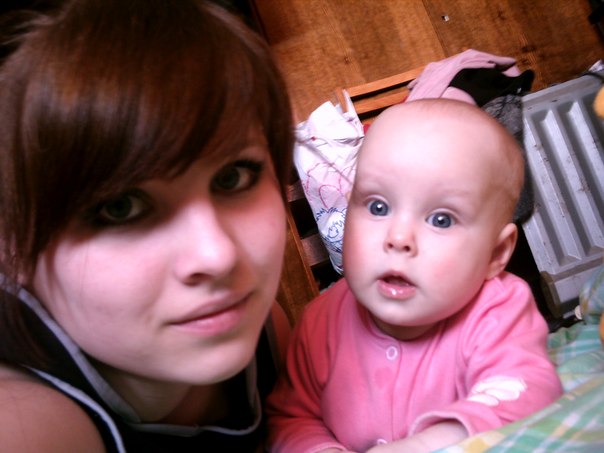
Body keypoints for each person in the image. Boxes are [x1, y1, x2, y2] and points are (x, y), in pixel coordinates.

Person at [0, 1, 294, 451]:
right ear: (9, 244)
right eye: (120, 207)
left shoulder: (264, 330)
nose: (218, 255)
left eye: (233, 177)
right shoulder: (26, 426)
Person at [266, 99, 563, 453]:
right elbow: (290, 419)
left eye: (441, 219)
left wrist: (431, 443)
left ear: (495, 255)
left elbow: (526, 389)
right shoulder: (320, 321)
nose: (398, 237)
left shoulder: (498, 309)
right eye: (378, 207)